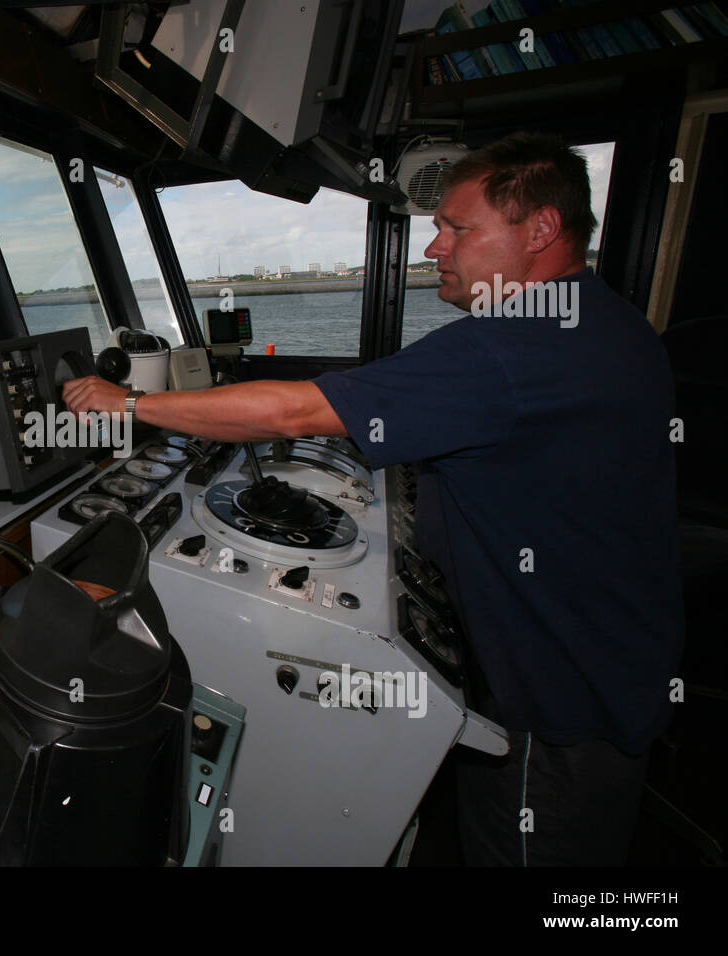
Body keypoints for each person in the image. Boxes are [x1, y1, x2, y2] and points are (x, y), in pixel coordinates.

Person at [63, 132, 683, 866]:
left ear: (541, 229)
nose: (433, 249)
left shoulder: (517, 342)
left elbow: (296, 414)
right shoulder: (600, 321)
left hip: (558, 700)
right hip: (605, 664)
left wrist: (130, 402)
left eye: (457, 228)